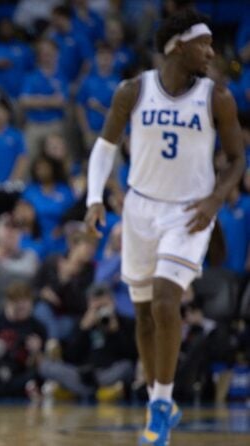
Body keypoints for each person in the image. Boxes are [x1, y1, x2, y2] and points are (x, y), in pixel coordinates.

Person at [84, 10, 245, 445]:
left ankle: (159, 404)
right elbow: (104, 147)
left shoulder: (218, 98)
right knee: (142, 311)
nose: (212, 52)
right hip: (140, 208)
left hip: (190, 211)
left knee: (166, 299)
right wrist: (95, 199)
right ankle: (162, 399)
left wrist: (215, 199)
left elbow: (237, 159)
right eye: (204, 43)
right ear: (178, 46)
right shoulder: (133, 90)